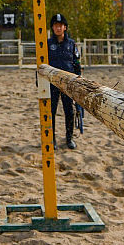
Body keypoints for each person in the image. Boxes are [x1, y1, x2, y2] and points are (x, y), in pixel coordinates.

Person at [47, 13, 83, 149]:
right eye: (55, 25)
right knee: (51, 112)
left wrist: (78, 80)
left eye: (60, 26)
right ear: (52, 28)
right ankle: (52, 139)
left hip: (68, 84)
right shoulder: (47, 44)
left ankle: (69, 138)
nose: (58, 28)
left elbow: (76, 63)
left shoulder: (71, 44)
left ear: (65, 27)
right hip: (52, 83)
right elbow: (41, 64)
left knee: (69, 111)